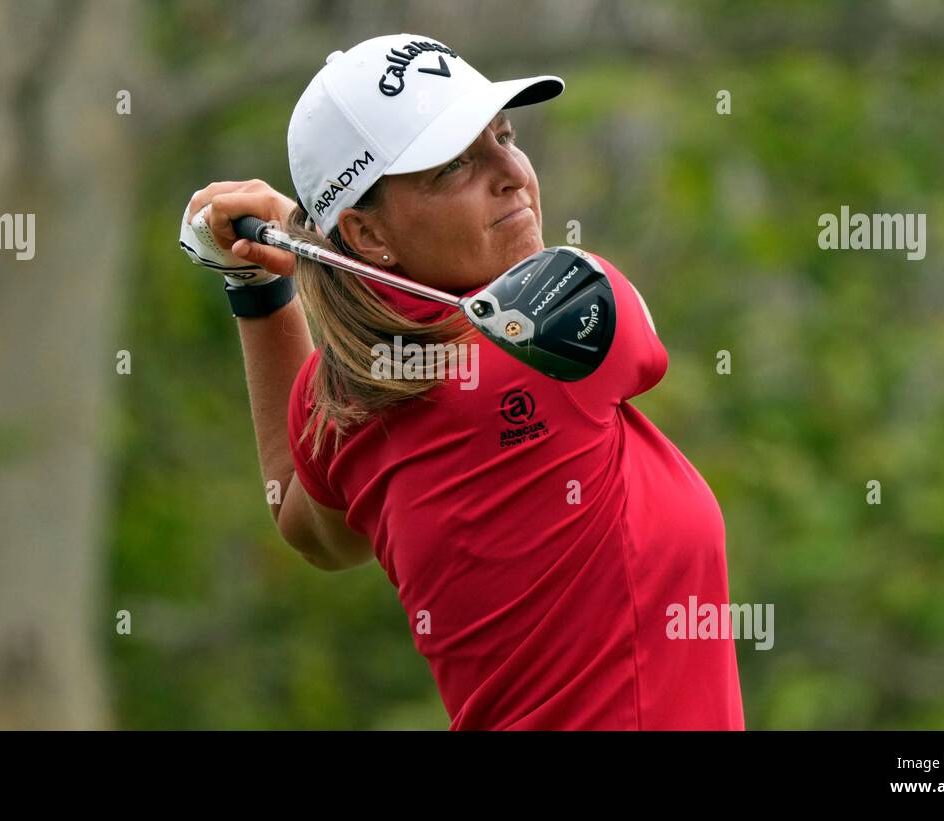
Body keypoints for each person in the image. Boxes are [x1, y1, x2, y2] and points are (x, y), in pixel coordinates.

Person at [184, 33, 744, 730]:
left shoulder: (344, 396)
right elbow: (636, 347)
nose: (510, 171)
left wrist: (259, 289)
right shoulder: (564, 322)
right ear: (364, 234)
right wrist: (304, 250)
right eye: (452, 166)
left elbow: (308, 525)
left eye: (504, 136)